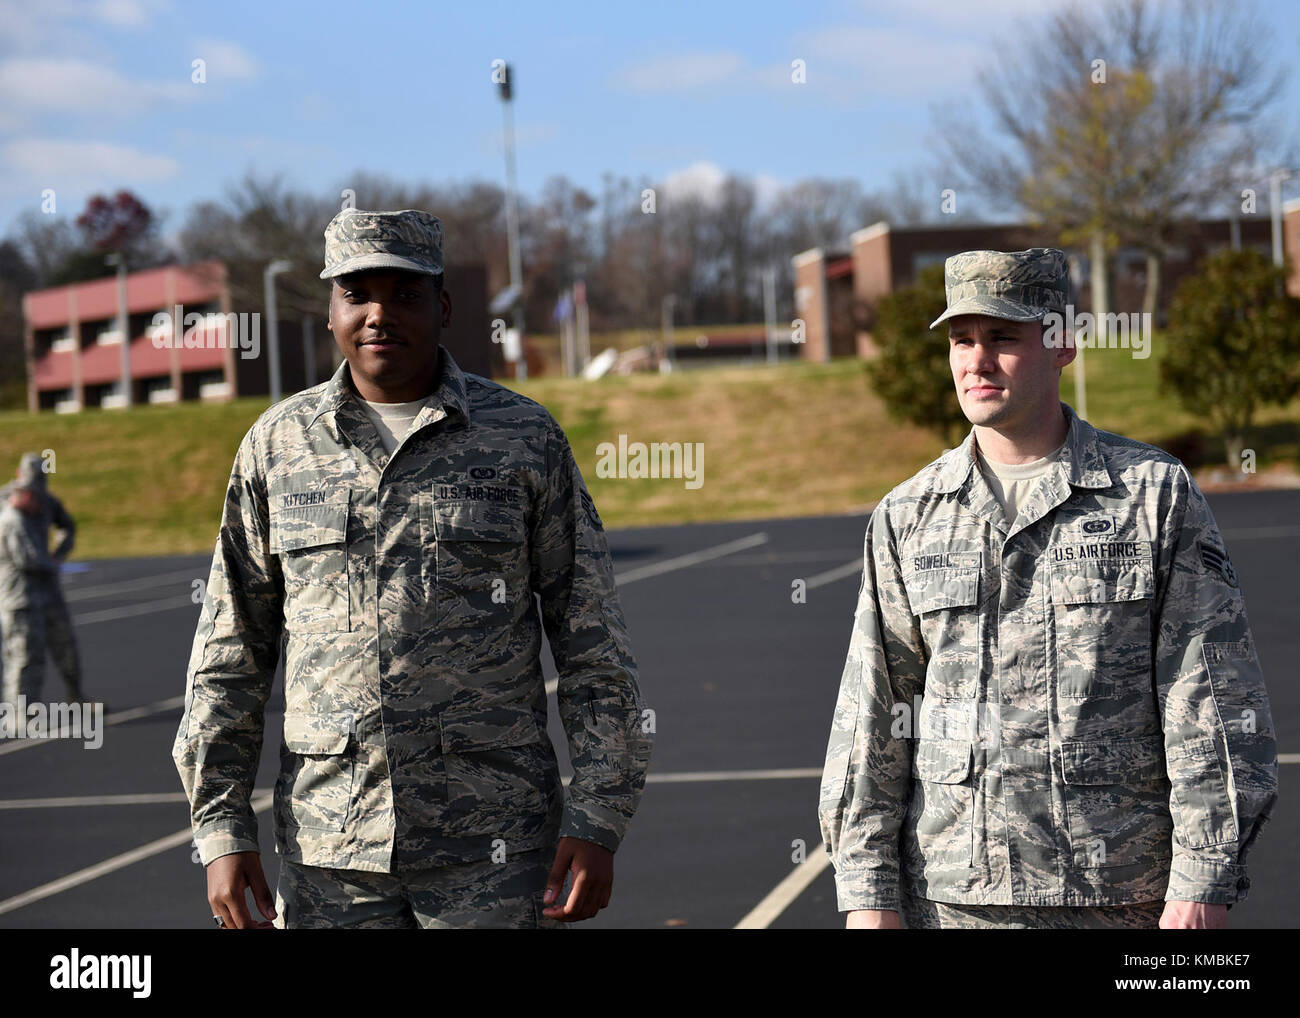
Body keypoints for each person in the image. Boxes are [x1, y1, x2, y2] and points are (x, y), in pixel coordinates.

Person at [173, 208, 652, 929]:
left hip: (493, 847)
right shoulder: (277, 447)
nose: (379, 315)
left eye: (404, 294)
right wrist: (220, 826)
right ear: (331, 310)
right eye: (356, 295)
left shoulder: (522, 438)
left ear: (443, 308)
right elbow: (230, 651)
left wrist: (599, 813)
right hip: (330, 852)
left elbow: (593, 642)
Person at [818, 248, 1277, 930]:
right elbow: (874, 712)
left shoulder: (1151, 495)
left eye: (1002, 337)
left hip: (1119, 896)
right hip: (953, 901)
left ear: (1062, 344)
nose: (976, 361)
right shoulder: (909, 515)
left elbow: (1211, 697)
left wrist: (1204, 880)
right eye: (961, 340)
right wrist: (867, 895)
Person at [0, 452, 85, 707]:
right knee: (24, 652)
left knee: (64, 643)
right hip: (19, 588)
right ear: (19, 475)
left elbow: (67, 527)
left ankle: (75, 695)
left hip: (46, 586)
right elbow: (24, 557)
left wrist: (58, 554)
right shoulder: (9, 503)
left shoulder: (47, 502)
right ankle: (19, 709)